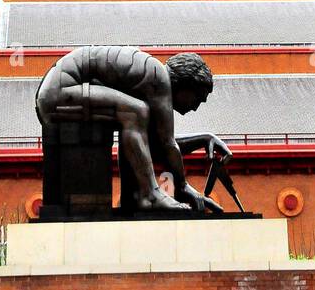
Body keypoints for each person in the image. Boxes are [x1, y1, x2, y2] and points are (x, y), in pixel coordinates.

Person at [35, 44, 231, 212]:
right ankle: (150, 196)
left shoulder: (151, 79)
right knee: (135, 113)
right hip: (57, 94)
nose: (196, 107)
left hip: (58, 93)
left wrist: (204, 139)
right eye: (198, 97)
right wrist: (182, 186)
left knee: (134, 116)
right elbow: (166, 144)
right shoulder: (159, 78)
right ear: (187, 85)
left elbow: (151, 146)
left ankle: (134, 198)